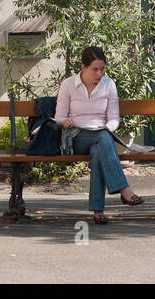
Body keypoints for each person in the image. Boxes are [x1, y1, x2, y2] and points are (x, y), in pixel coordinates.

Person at [55, 46, 144, 224]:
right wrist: (65, 122)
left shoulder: (108, 85)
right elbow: (59, 117)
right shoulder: (69, 85)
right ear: (83, 67)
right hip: (76, 137)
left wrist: (108, 126)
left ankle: (98, 211)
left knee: (99, 149)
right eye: (95, 69)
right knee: (103, 139)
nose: (100, 73)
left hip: (100, 135)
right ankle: (124, 189)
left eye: (102, 69)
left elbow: (114, 119)